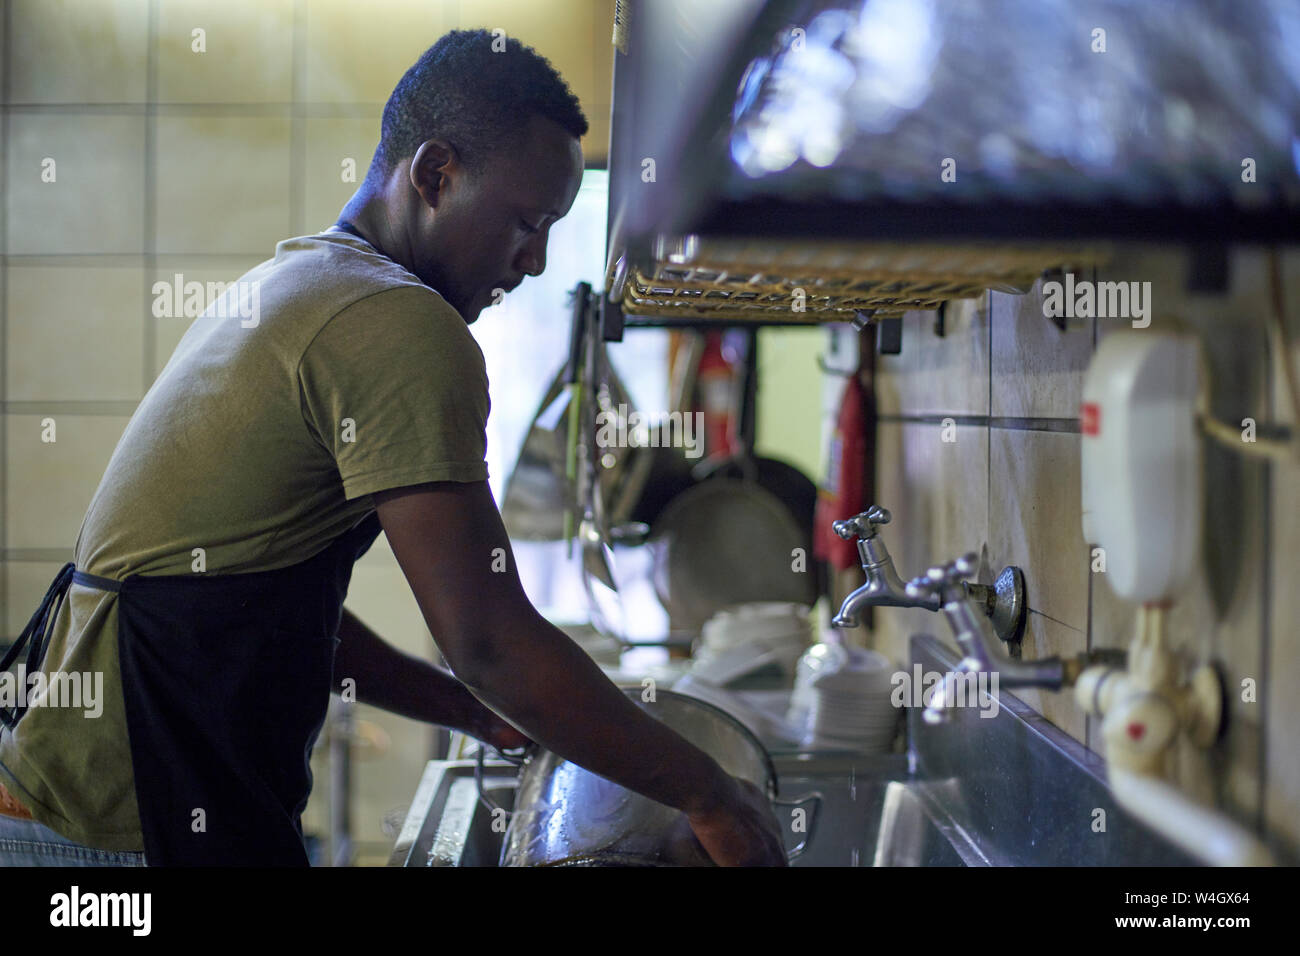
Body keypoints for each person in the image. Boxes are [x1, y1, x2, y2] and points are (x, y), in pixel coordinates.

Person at [0, 29, 787, 867]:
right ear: (436, 173)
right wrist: (711, 793)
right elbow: (487, 639)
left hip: (62, 797)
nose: (534, 260)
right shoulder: (399, 321)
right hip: (120, 826)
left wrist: (468, 710)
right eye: (526, 222)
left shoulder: (302, 278)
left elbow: (258, 601)